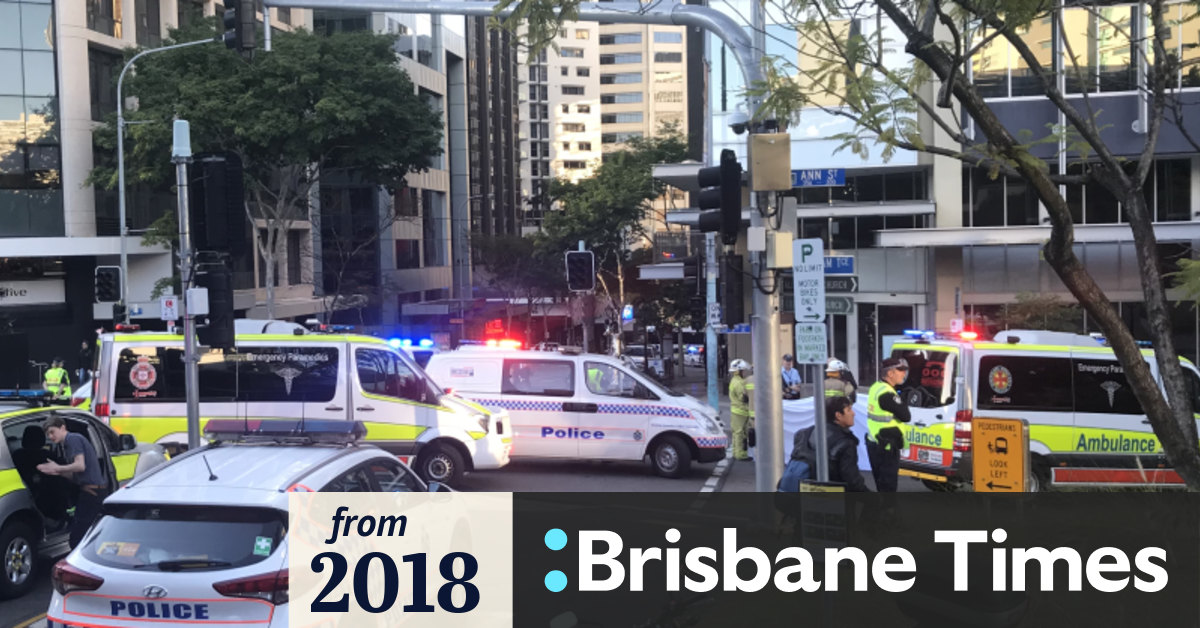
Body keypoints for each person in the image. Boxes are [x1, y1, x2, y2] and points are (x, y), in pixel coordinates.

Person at [38, 416, 107, 548]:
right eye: (48, 434)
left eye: (52, 432)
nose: (50, 437)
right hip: (89, 491)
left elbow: (80, 466)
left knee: (77, 538)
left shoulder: (73, 439)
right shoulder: (67, 444)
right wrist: (56, 471)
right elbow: (76, 474)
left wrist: (58, 468)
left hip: (92, 493)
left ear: (62, 427)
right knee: (86, 535)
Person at [790, 396, 871, 492]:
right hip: (833, 497)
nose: (853, 414)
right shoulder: (845, 443)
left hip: (804, 491)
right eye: (849, 410)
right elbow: (852, 480)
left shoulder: (805, 434)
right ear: (838, 415)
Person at [866, 357, 912, 492]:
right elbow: (906, 416)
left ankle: (882, 511)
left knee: (882, 486)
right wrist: (902, 400)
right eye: (901, 370)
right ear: (890, 373)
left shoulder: (876, 387)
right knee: (888, 488)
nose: (904, 374)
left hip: (875, 442)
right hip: (886, 446)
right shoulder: (887, 393)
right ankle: (887, 512)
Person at [728, 359, 755, 461]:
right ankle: (740, 454)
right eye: (743, 370)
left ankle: (736, 452)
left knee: (736, 433)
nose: (744, 372)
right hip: (741, 411)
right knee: (740, 433)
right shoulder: (739, 383)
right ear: (738, 371)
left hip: (736, 410)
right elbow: (743, 398)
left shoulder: (734, 380)